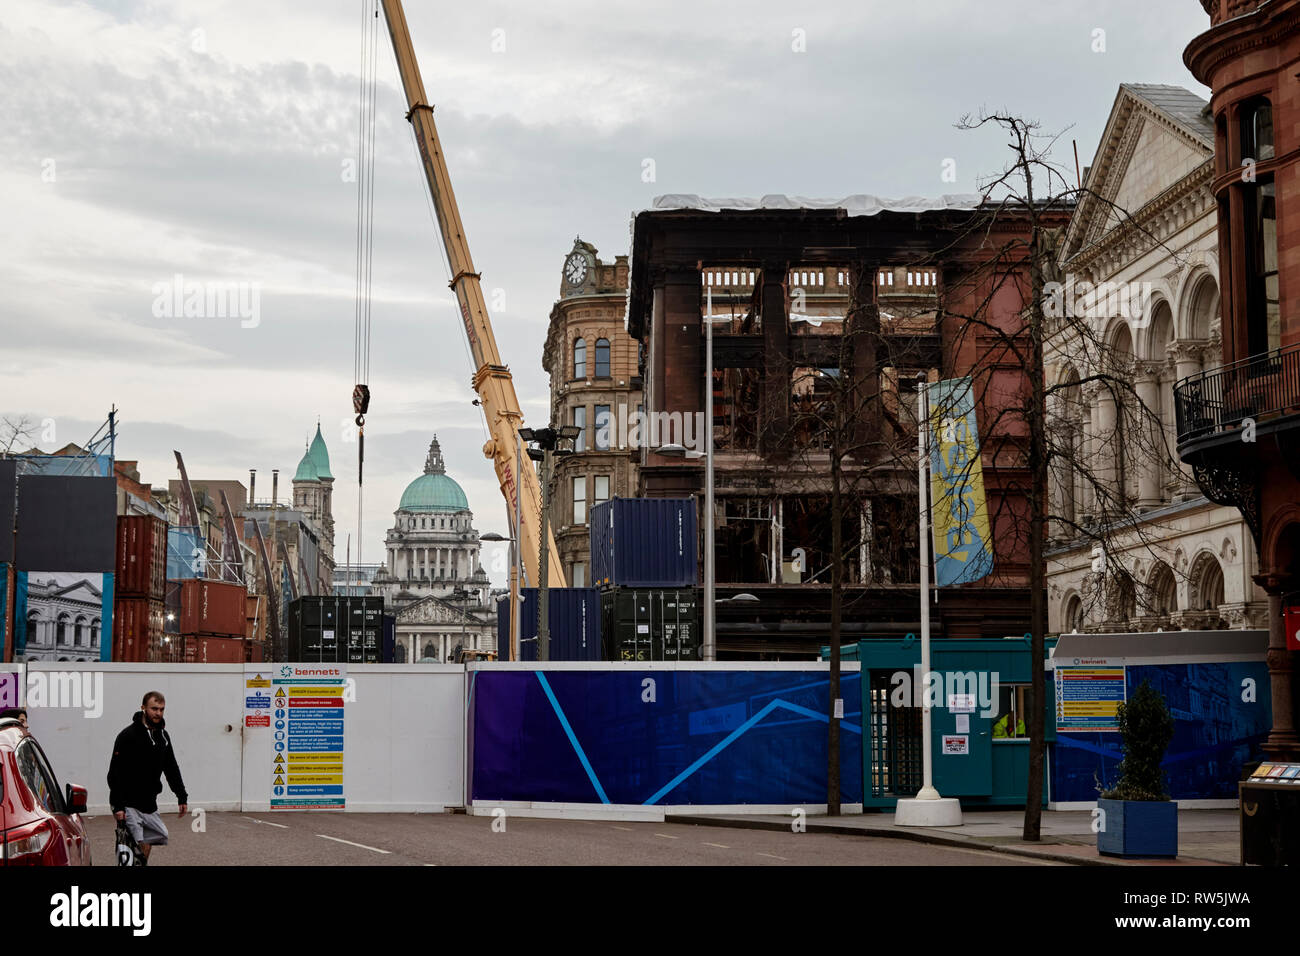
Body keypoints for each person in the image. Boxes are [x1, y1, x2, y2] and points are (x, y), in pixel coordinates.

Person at [107, 691, 188, 864]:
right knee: (132, 845)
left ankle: (140, 863)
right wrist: (117, 806)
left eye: (161, 709)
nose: (158, 713)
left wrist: (181, 796)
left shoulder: (163, 737)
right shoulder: (128, 736)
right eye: (154, 709)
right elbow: (115, 773)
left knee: (153, 838)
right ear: (143, 708)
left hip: (150, 803)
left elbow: (171, 768)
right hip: (129, 803)